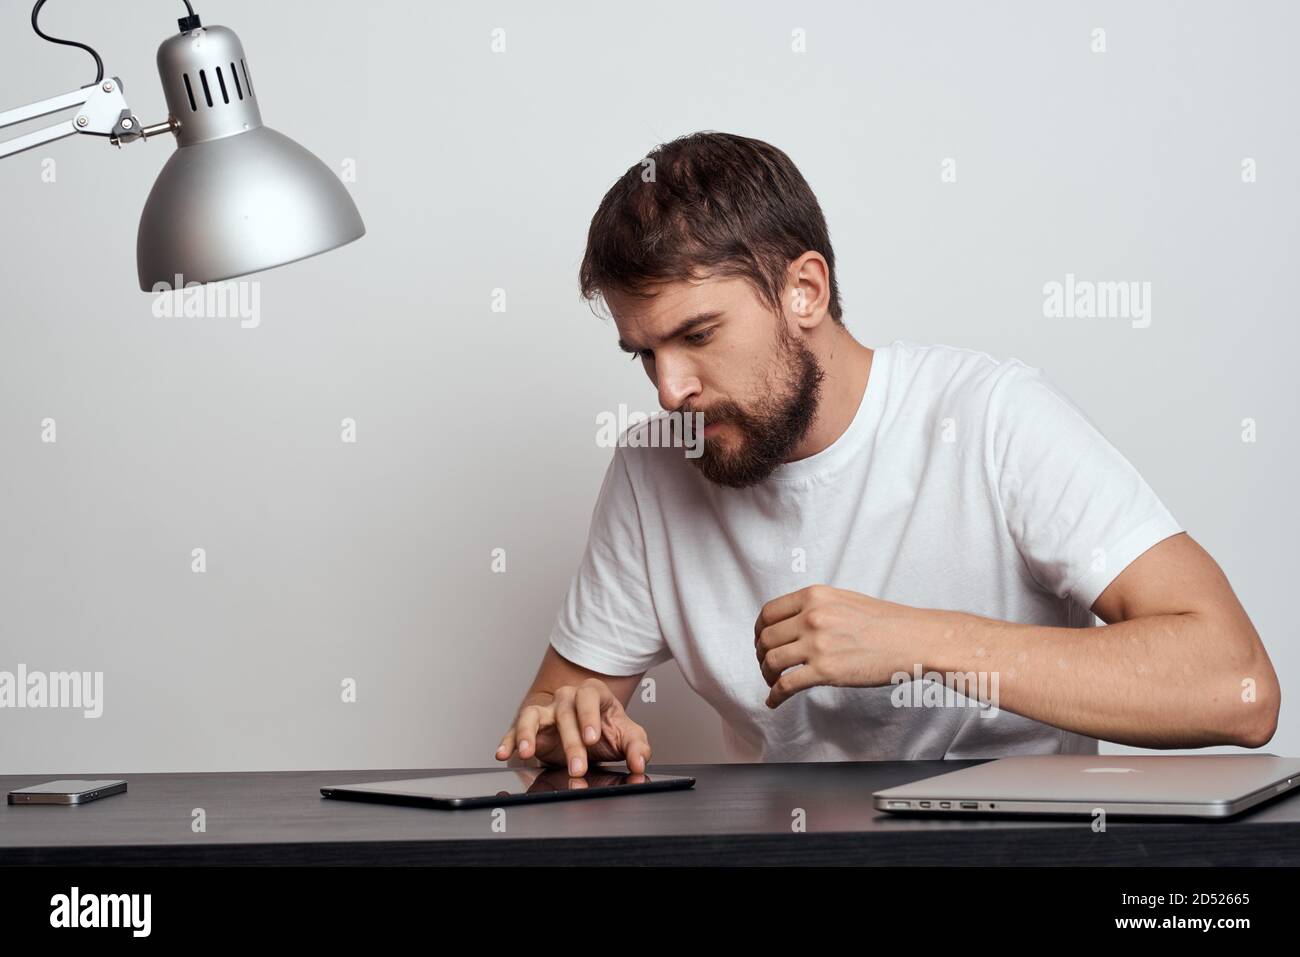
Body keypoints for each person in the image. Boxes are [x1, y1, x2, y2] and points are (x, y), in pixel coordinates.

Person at [495, 131, 1279, 776]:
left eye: (697, 335)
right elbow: (543, 736)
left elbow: (1236, 686)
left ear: (804, 289)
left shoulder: (991, 418)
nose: (669, 391)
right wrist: (573, 737)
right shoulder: (653, 468)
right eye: (644, 354)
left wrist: (920, 641)